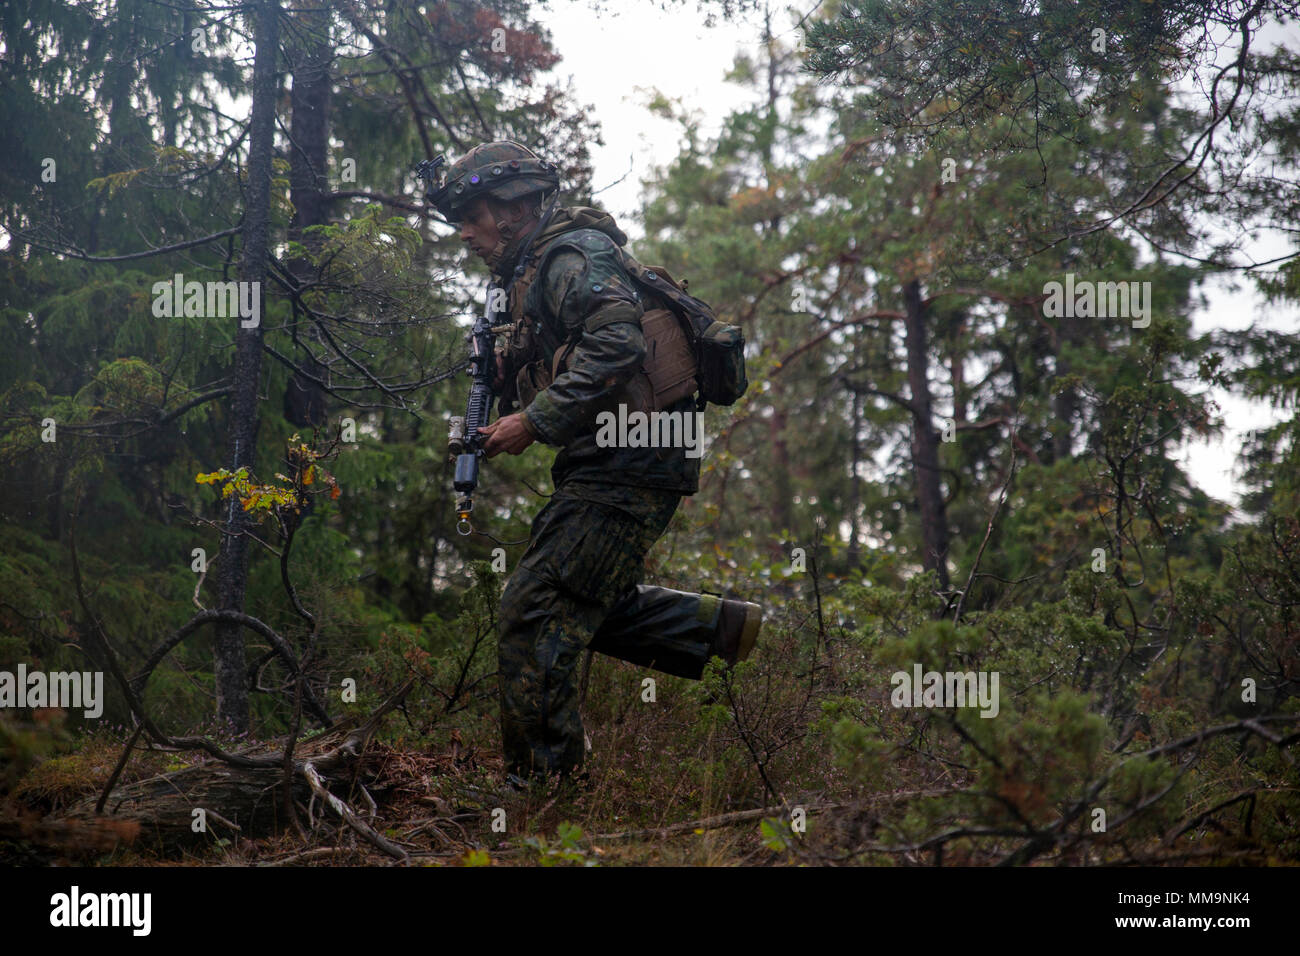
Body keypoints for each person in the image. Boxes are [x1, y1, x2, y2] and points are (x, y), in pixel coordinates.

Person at [427, 140, 762, 785]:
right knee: (575, 602)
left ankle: (544, 790)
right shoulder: (531, 274)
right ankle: (722, 632)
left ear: (512, 208)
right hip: (612, 457)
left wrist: (535, 420)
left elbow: (616, 344)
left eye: (471, 214)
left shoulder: (569, 257)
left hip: (635, 455)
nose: (464, 232)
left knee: (535, 605)